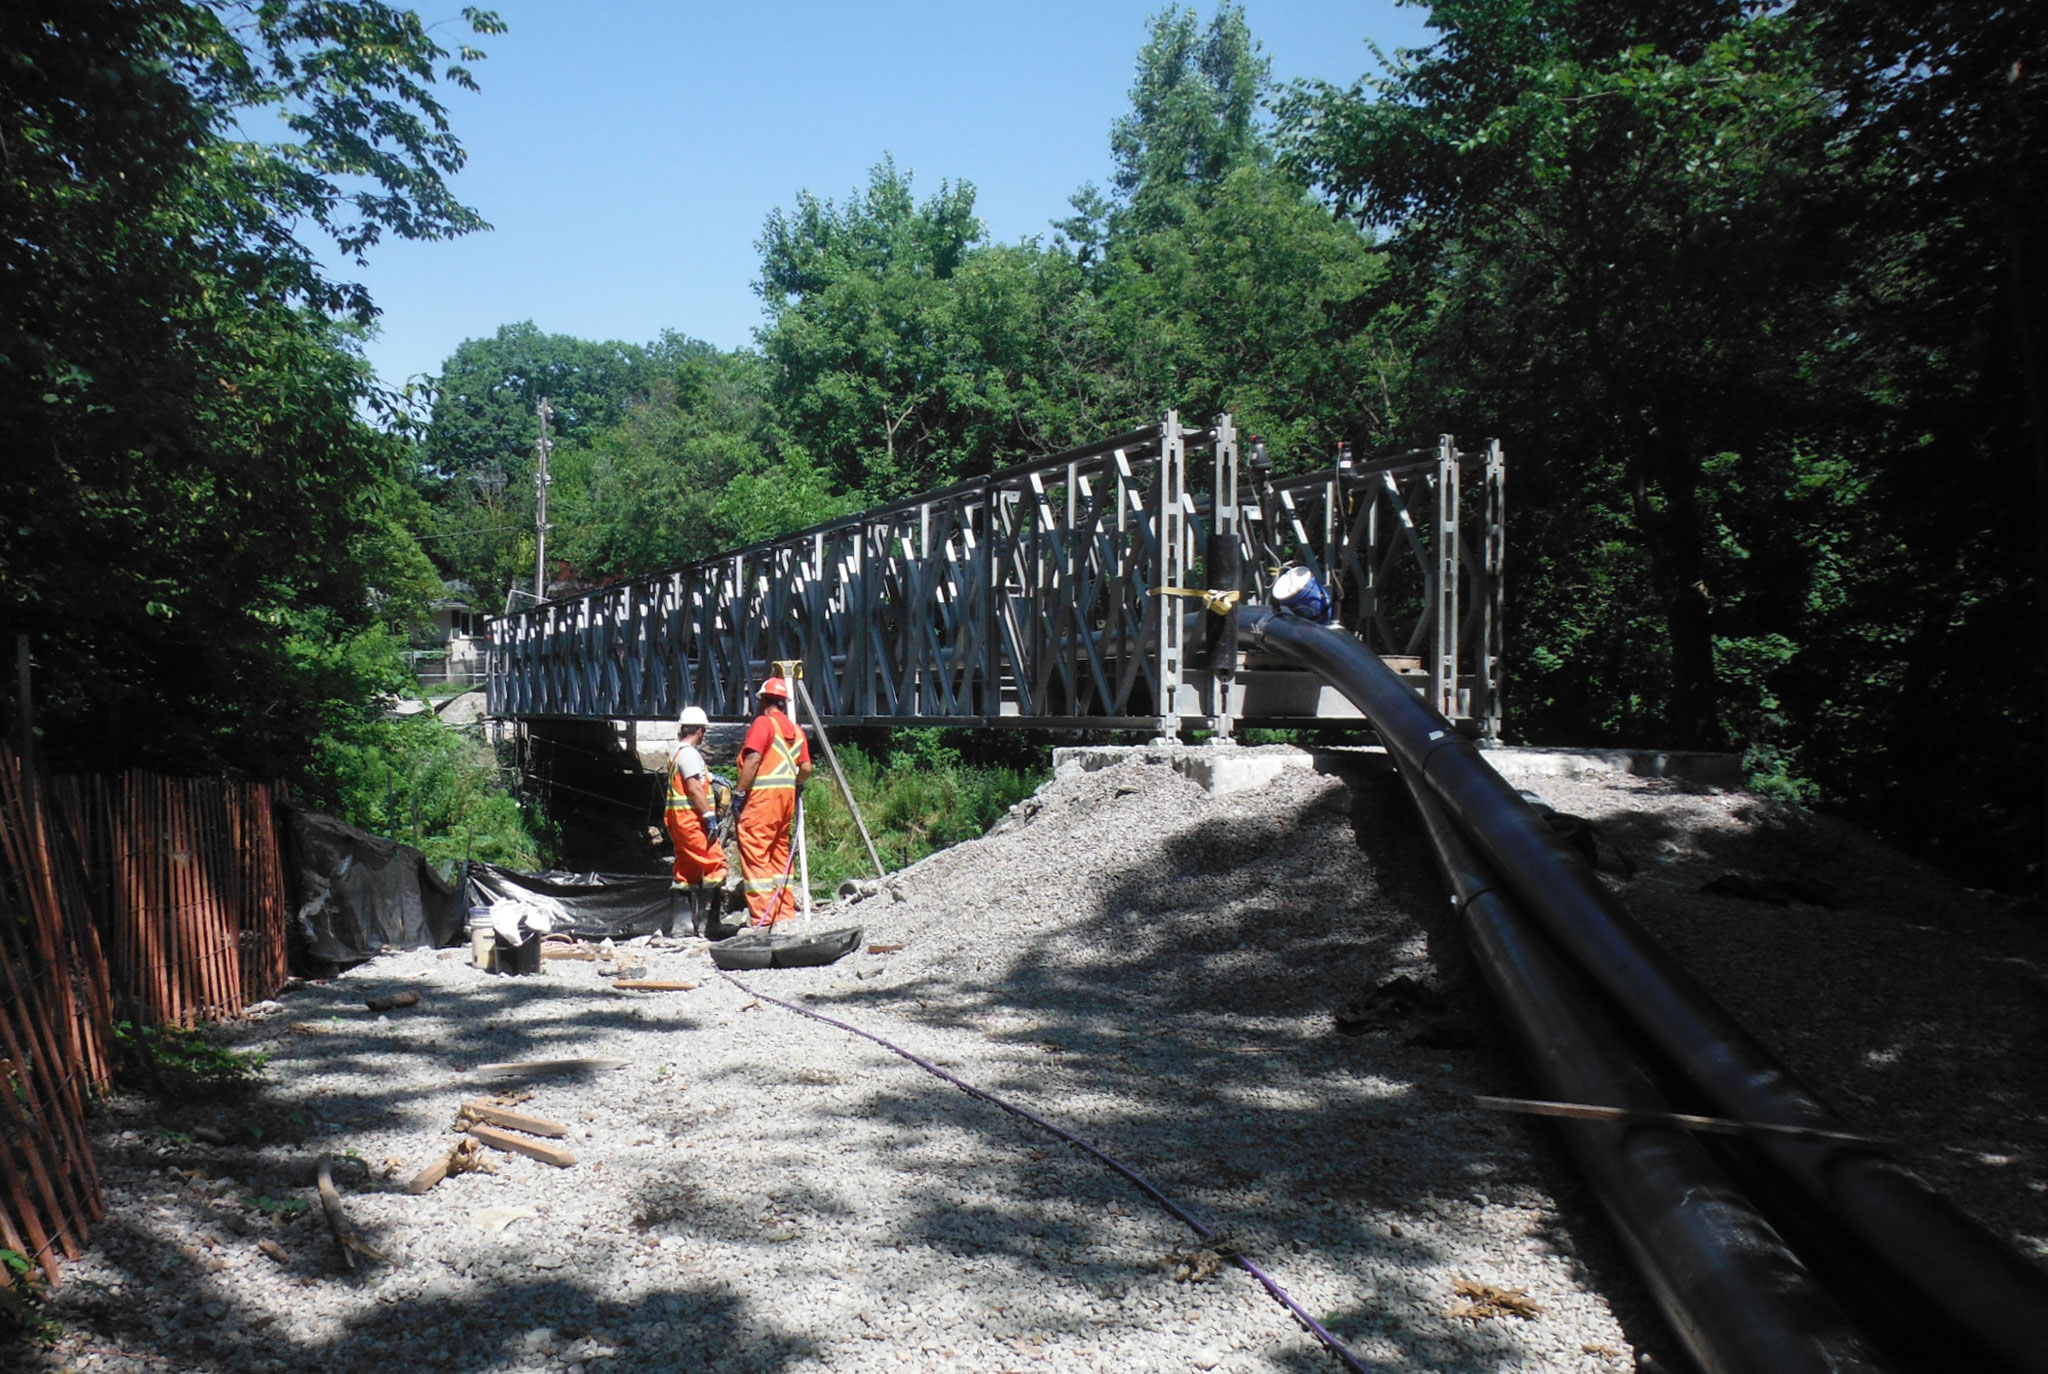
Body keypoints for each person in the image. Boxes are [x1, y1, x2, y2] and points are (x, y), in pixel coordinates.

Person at [730, 676, 813, 927]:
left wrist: (740, 793)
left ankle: (764, 919)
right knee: (778, 855)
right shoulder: (797, 730)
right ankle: (784, 913)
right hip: (786, 800)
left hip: (762, 800)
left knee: (755, 852)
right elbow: (807, 768)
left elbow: (753, 760)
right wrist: (796, 784)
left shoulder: (763, 724)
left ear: (764, 701)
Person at [663, 705, 728, 937]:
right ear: (700, 731)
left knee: (686, 868)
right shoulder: (690, 754)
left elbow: (693, 779)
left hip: (679, 821)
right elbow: (693, 787)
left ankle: (682, 926)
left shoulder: (678, 752)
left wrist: (710, 777)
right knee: (715, 864)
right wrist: (709, 816)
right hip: (692, 821)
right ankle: (710, 924)